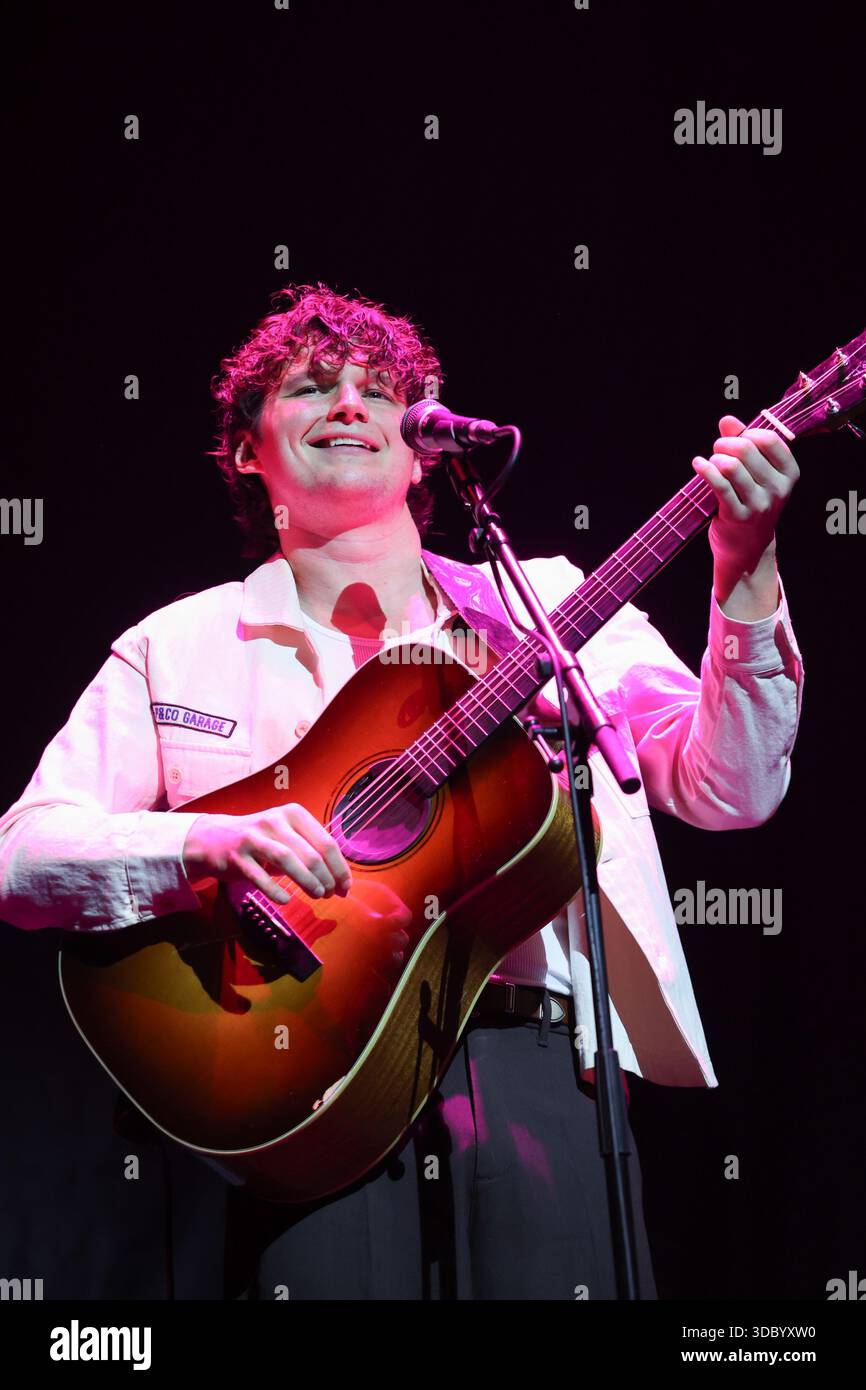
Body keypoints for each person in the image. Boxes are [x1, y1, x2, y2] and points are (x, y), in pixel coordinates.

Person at [0, 283, 803, 1300]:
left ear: (423, 444)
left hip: (540, 1075)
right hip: (300, 1080)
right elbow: (22, 859)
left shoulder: (544, 608)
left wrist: (744, 569)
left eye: (379, 389)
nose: (349, 404)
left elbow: (729, 788)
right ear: (245, 448)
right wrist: (199, 847)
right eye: (310, 386)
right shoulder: (177, 646)